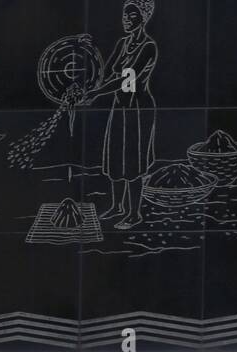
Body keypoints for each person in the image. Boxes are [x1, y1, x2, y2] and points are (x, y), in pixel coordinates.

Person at [66, 0, 159, 229]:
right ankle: (118, 206)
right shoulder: (121, 43)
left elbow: (126, 80)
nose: (126, 20)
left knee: (133, 162)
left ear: (144, 18)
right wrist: (87, 51)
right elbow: (107, 75)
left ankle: (134, 213)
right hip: (120, 107)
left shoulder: (148, 47)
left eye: (132, 16)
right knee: (116, 157)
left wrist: (95, 93)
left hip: (138, 109)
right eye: (124, 15)